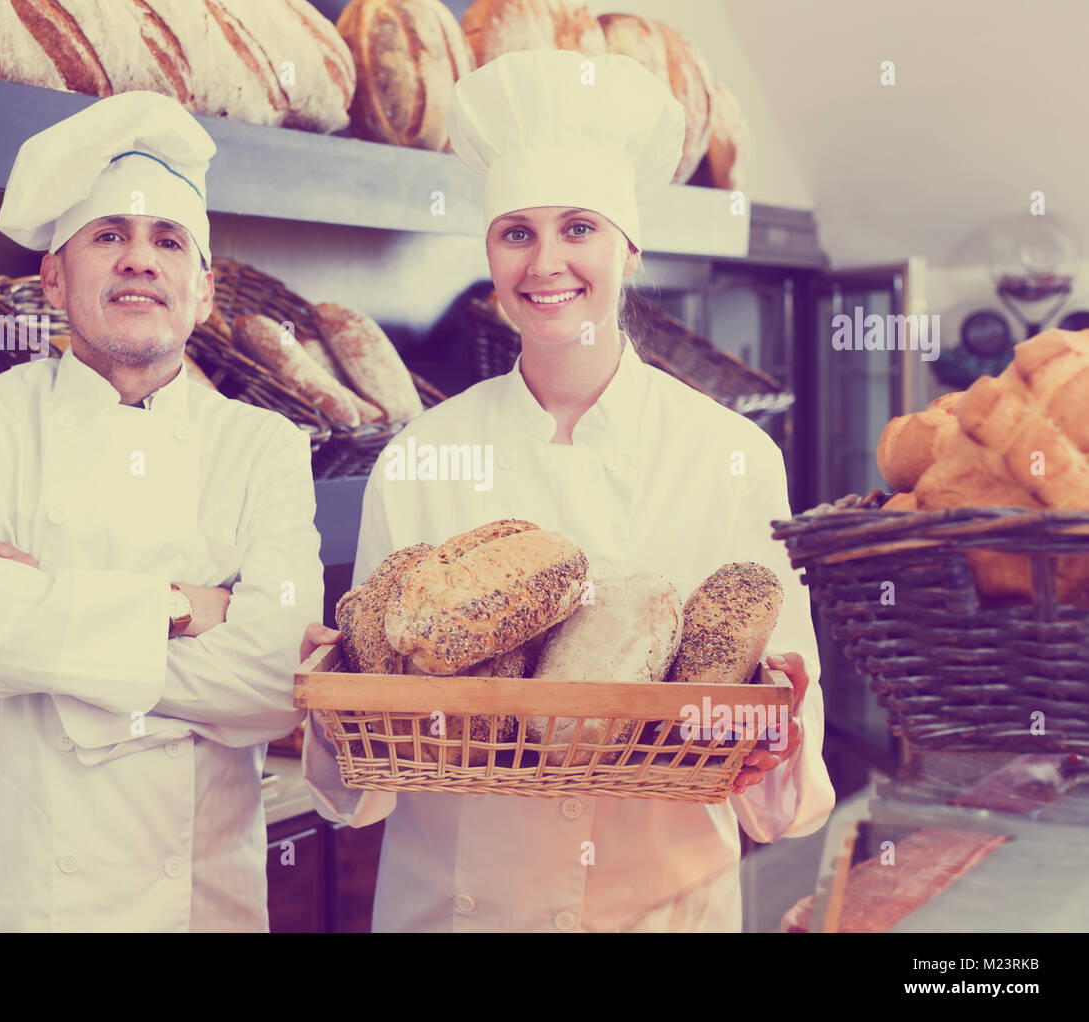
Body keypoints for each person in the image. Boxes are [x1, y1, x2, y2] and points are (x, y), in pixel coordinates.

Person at [301, 51, 835, 932]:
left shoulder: (731, 453)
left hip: (661, 908)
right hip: (459, 910)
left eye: (578, 227)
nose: (546, 263)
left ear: (630, 247)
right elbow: (361, 784)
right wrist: (339, 701)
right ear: (490, 254)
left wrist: (774, 737)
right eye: (516, 233)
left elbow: (782, 768)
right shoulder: (422, 453)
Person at [0, 91, 322, 932]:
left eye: (167, 240)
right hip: (22, 903)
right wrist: (185, 607)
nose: (138, 259)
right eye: (109, 236)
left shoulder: (264, 444)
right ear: (53, 276)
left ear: (200, 291)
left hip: (200, 905)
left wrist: (41, 609)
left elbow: (276, 683)